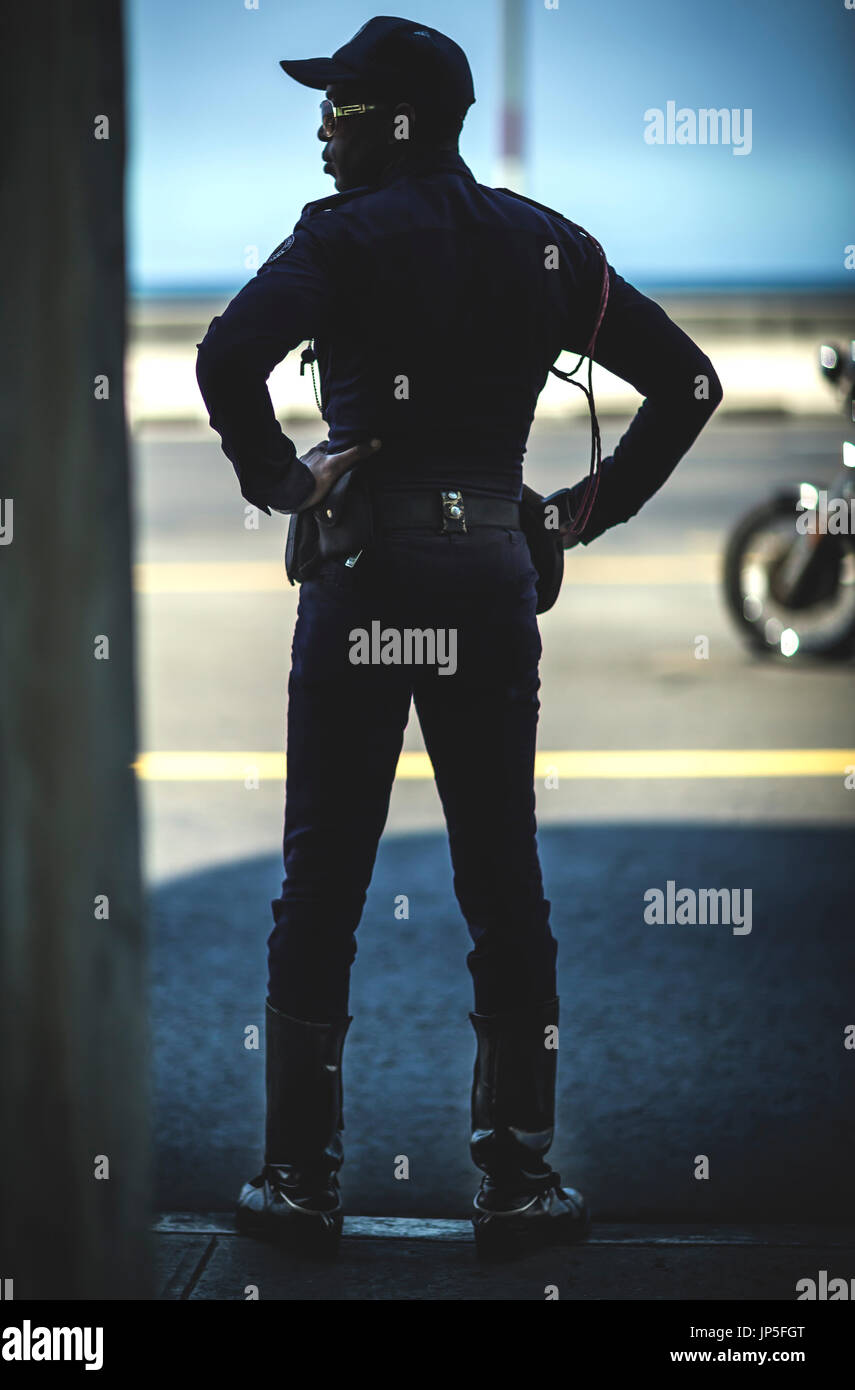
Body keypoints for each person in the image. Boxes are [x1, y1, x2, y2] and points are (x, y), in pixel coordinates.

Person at [195, 15, 723, 1256]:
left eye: (339, 106)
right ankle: (519, 1184)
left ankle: (301, 1182)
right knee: (505, 881)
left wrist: (286, 483)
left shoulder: (338, 238)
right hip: (491, 577)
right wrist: (569, 517)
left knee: (324, 877)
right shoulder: (544, 245)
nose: (321, 125)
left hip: (365, 578)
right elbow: (689, 385)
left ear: (398, 122)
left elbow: (227, 358)